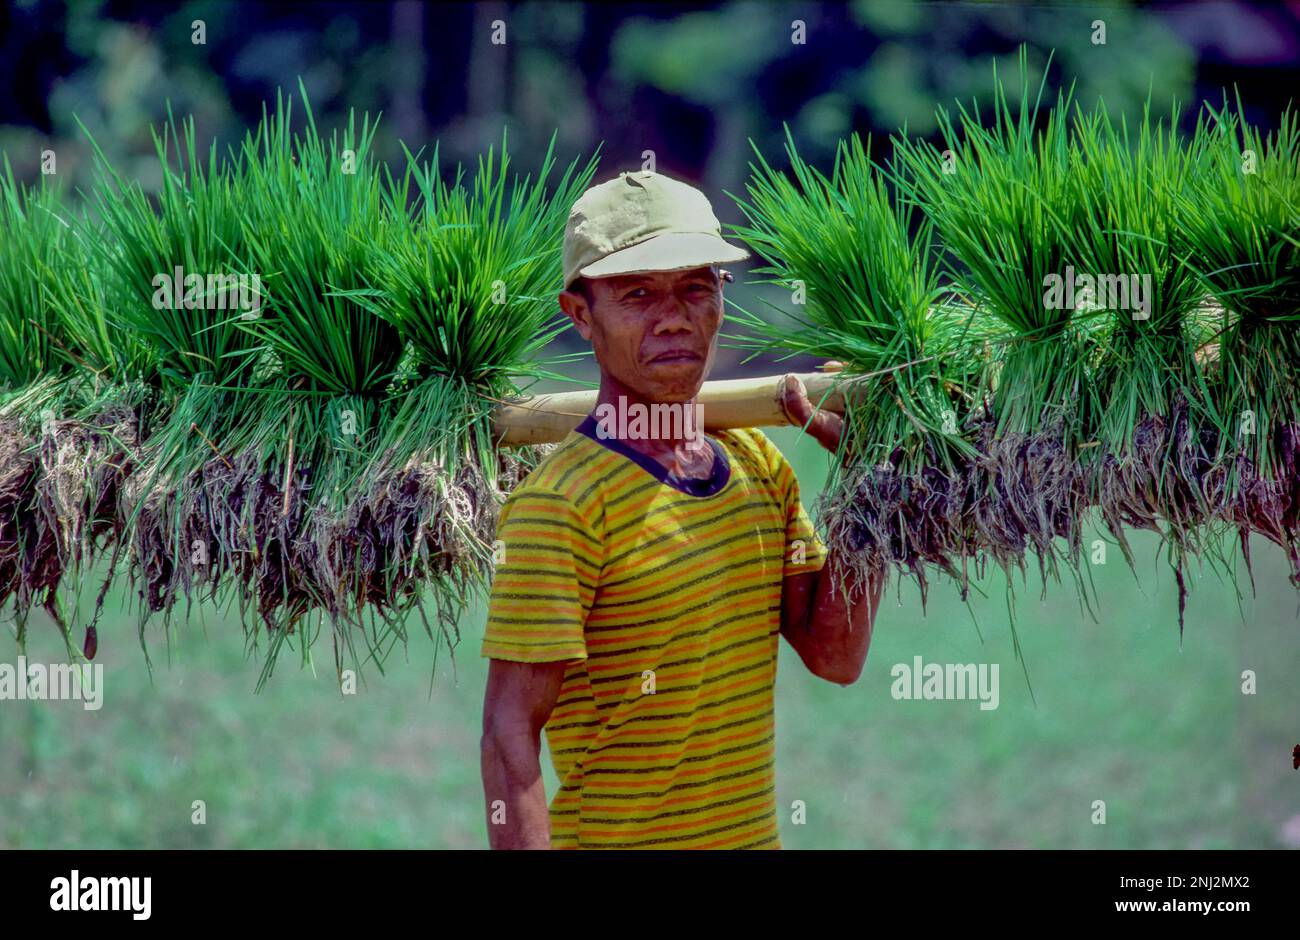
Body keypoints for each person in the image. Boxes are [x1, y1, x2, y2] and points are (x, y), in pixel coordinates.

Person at [479, 169, 883, 849]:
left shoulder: (758, 465)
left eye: (696, 288)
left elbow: (834, 656)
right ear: (581, 314)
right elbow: (508, 732)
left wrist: (874, 488)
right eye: (637, 294)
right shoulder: (561, 506)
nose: (674, 317)